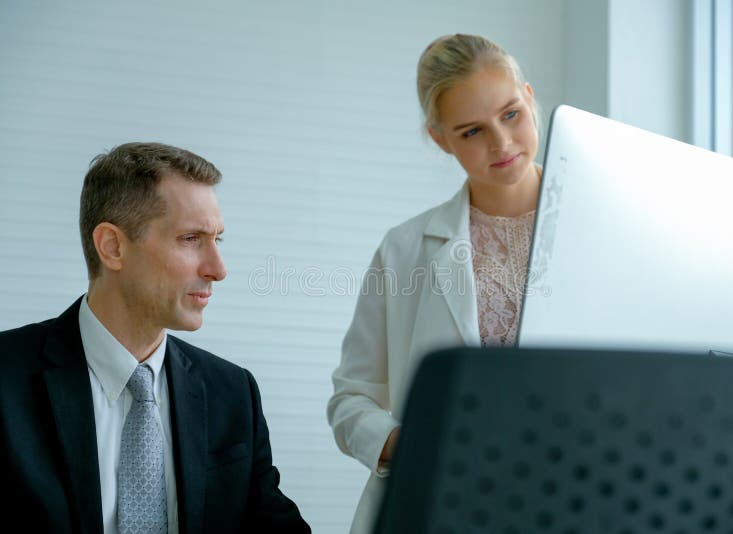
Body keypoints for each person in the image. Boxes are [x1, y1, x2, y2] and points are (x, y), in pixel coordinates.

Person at [0, 142, 310, 533]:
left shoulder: (233, 393)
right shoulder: (6, 379)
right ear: (113, 247)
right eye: (191, 239)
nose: (218, 269)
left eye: (218, 240)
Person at [327, 34, 543, 533]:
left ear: (530, 99)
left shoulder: (598, 227)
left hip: (568, 493)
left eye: (511, 114)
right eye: (472, 131)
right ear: (441, 138)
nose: (501, 143)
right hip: (446, 502)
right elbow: (350, 399)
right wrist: (409, 445)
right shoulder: (405, 249)